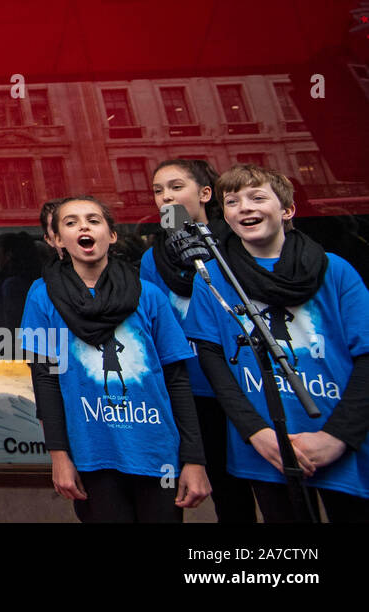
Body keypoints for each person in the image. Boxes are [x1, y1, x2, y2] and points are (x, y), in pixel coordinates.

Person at [184, 164, 369, 522]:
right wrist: (257, 433)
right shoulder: (211, 278)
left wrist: (337, 437)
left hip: (340, 441)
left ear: (287, 210)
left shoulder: (336, 271)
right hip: (265, 449)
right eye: (233, 201)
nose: (244, 207)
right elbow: (214, 363)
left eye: (257, 197)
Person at [21, 196, 210, 522]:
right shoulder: (41, 297)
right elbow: (45, 380)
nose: (83, 226)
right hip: (92, 455)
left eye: (94, 220)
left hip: (156, 453)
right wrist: (59, 457)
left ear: (111, 235)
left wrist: (194, 460)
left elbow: (177, 380)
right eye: (70, 222)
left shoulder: (148, 294)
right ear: (58, 241)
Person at [140, 158, 256, 523]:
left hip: (245, 385)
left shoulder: (235, 246)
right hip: (194, 390)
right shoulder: (152, 259)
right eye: (158, 191)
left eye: (176, 187)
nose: (165, 197)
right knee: (228, 494)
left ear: (205, 194)